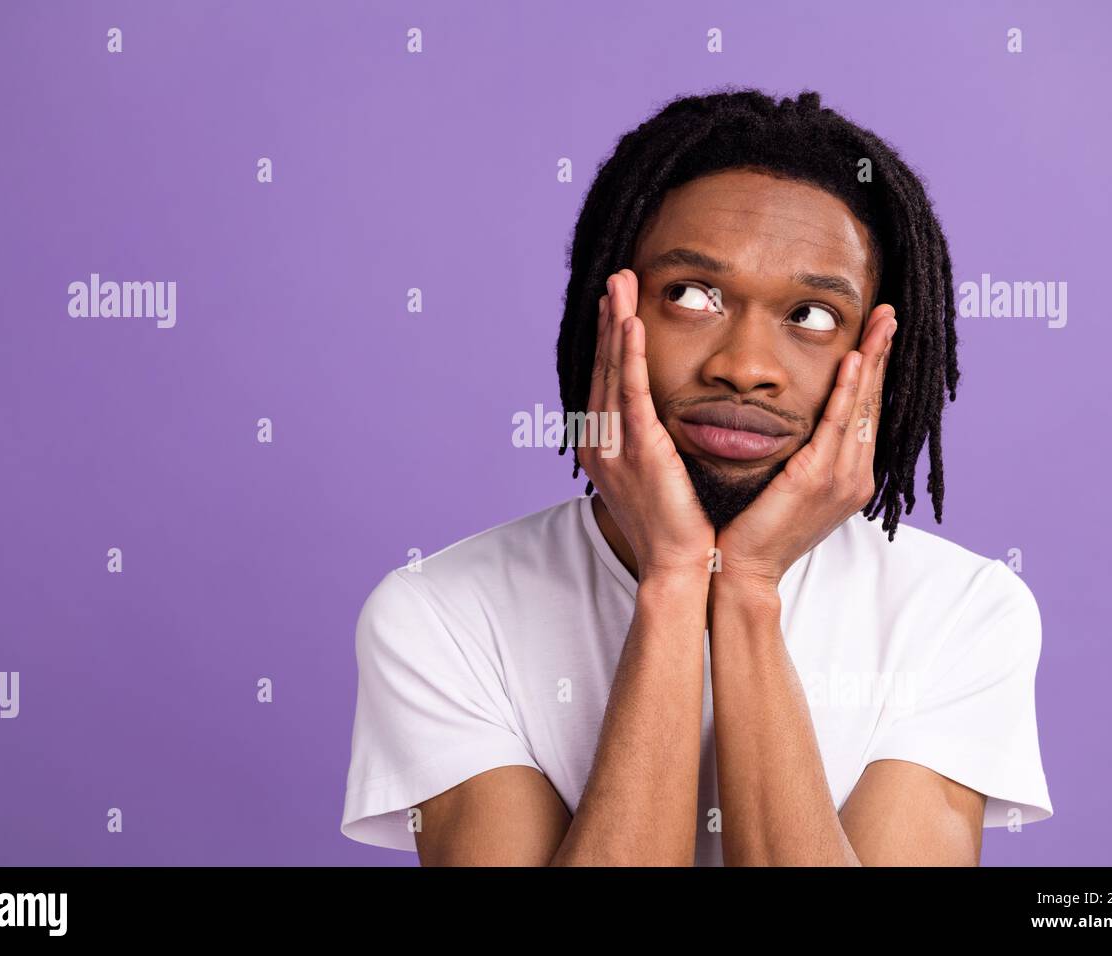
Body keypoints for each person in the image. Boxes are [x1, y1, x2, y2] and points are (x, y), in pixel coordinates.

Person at [340, 87, 1053, 866]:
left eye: (811, 315)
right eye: (691, 296)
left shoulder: (962, 614)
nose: (745, 369)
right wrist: (677, 581)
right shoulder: (441, 615)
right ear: (608, 317)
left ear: (878, 355)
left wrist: (745, 588)